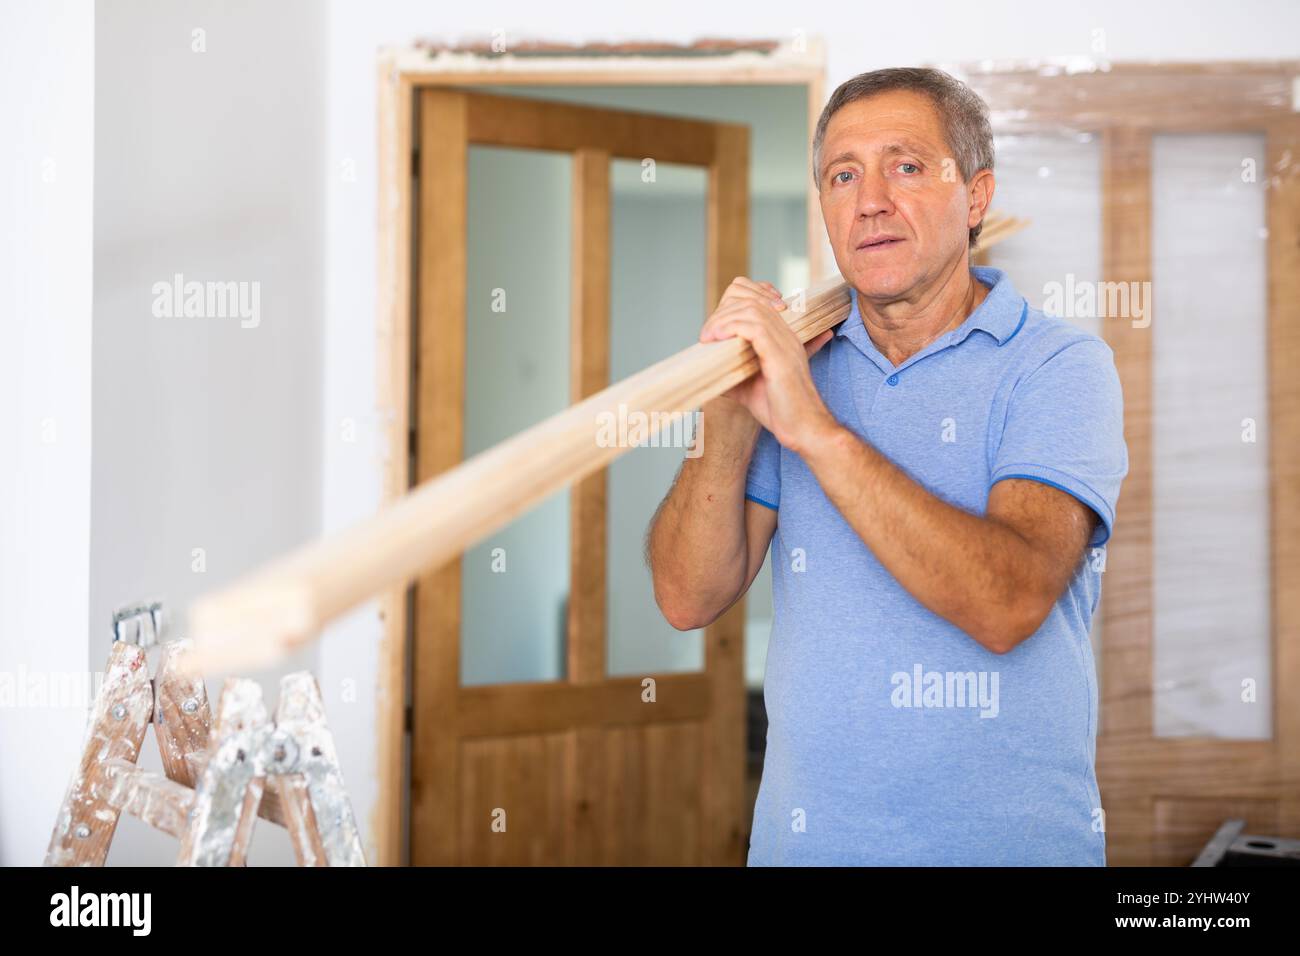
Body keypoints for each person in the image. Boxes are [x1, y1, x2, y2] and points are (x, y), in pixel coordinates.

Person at [645, 67, 1128, 865]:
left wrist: (816, 430)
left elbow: (1008, 603)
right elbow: (687, 598)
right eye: (843, 175)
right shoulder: (806, 363)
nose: (870, 199)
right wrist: (729, 410)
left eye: (904, 165)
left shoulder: (1059, 367)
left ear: (976, 198)